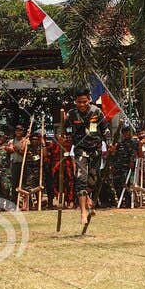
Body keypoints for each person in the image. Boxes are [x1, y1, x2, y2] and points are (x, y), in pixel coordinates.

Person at [62, 89, 107, 224]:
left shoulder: (97, 112)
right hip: (80, 149)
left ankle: (88, 197)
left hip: (96, 149)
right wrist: (63, 136)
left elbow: (105, 130)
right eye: (79, 102)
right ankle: (83, 212)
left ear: (89, 100)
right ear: (75, 102)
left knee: (93, 179)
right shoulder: (71, 114)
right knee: (81, 178)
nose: (82, 105)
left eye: (84, 102)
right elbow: (64, 130)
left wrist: (110, 144)